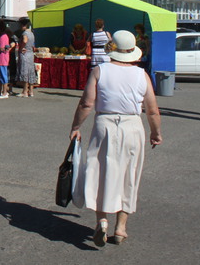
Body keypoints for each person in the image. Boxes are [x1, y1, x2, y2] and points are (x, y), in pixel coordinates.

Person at [69, 30, 162, 247]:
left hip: (105, 123)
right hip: (132, 126)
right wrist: (156, 133)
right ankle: (121, 227)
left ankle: (102, 220)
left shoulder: (100, 71)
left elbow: (86, 103)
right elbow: (153, 110)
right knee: (129, 174)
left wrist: (75, 126)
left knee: (100, 172)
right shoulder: (142, 75)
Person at [17, 17, 36, 97]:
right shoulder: (31, 33)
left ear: (23, 25)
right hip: (30, 53)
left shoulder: (25, 33)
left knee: (25, 71)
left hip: (25, 54)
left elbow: (24, 40)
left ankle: (25, 91)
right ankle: (31, 91)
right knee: (31, 71)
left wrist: (21, 48)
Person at [0, 21, 12, 98]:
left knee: (3, 75)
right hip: (1, 58)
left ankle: (4, 92)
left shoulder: (3, 37)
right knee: (0, 75)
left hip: (2, 58)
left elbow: (2, 48)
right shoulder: (3, 36)